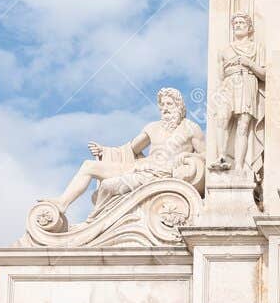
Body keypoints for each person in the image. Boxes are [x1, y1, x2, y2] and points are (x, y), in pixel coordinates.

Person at [37, 88, 205, 215]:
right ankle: (62, 203)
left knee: (108, 186)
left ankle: (97, 221)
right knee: (89, 166)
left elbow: (206, 156)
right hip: (141, 168)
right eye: (162, 105)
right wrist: (104, 151)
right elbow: (130, 149)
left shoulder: (190, 128)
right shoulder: (152, 128)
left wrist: (188, 155)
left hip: (162, 173)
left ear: (179, 106)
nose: (165, 108)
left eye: (169, 104)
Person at [211, 12, 264, 176]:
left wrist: (248, 63)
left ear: (249, 28)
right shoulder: (224, 50)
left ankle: (239, 166)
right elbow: (220, 76)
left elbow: (263, 73)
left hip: (248, 81)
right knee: (221, 118)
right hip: (228, 85)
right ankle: (221, 156)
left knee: (243, 125)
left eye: (242, 22)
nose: (238, 25)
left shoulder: (257, 48)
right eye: (235, 23)